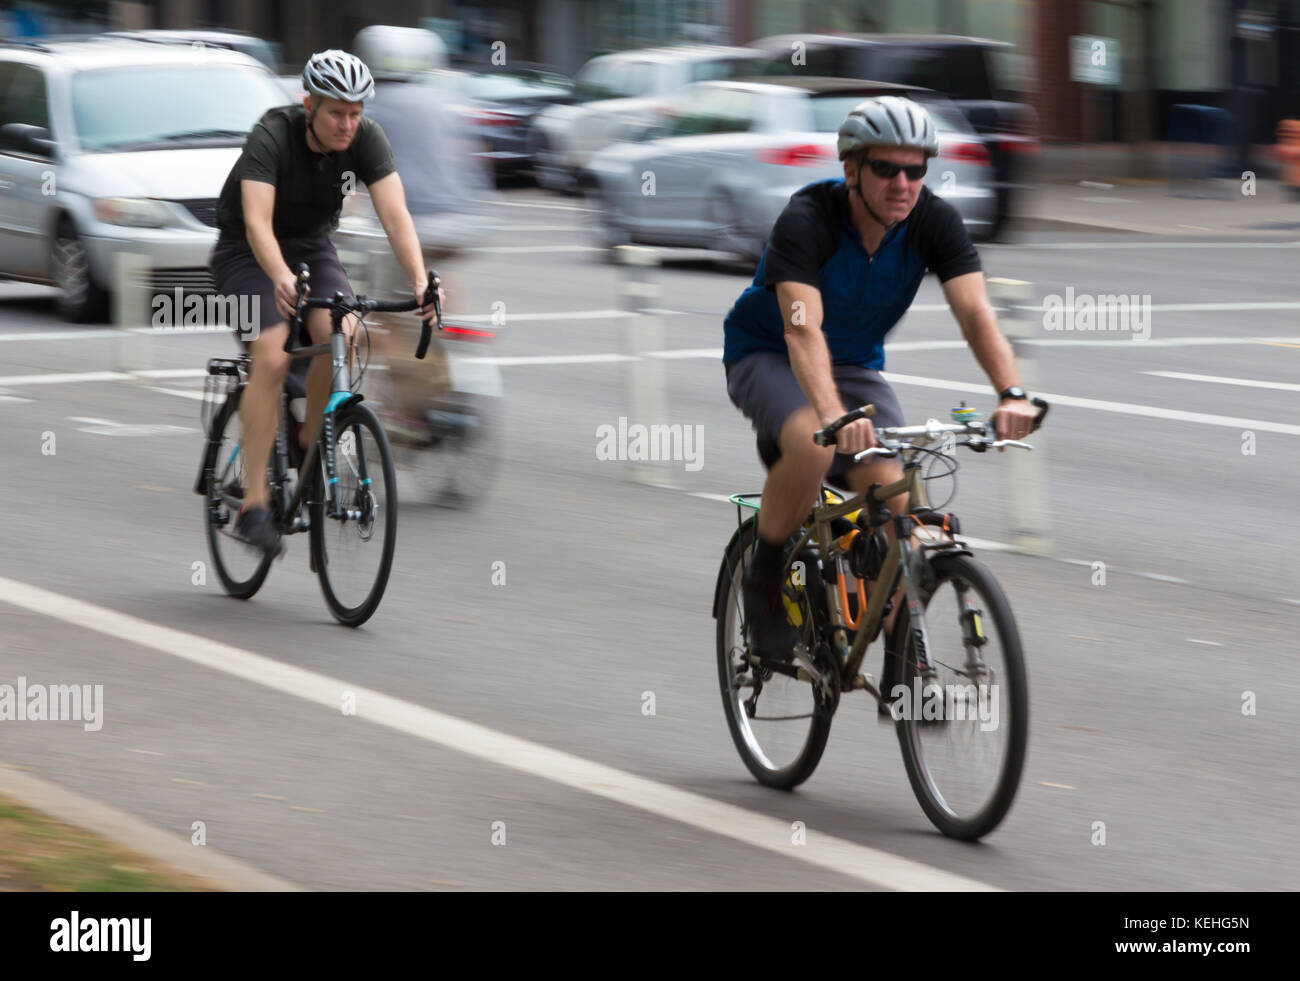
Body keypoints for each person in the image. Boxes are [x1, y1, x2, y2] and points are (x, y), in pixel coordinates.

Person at [721, 95, 1040, 679]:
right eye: (886, 169)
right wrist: (832, 415)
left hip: (855, 368)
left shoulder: (933, 221)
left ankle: (901, 657)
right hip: (769, 354)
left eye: (915, 169)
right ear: (851, 170)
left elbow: (974, 312)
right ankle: (765, 578)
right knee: (816, 443)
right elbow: (802, 329)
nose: (902, 182)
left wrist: (1011, 392)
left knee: (900, 507)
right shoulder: (807, 220)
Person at [209, 49, 435, 551]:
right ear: (308, 103)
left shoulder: (365, 138)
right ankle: (254, 504)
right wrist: (281, 277)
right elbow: (256, 223)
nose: (347, 124)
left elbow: (396, 216)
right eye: (337, 112)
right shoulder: (273, 133)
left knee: (345, 330)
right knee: (269, 353)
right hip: (246, 253)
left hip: (312, 247)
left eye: (355, 113)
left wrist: (420, 280)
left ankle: (311, 438)